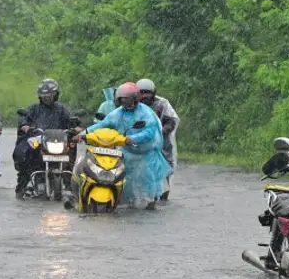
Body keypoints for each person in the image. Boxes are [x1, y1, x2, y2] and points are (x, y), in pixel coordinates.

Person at [78, 81, 171, 209]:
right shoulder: (118, 113)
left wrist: (132, 138)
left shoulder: (146, 113)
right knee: (123, 178)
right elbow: (102, 124)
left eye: (126, 99)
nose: (124, 102)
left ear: (134, 98)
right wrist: (83, 134)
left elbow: (149, 132)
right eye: (121, 100)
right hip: (126, 152)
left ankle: (150, 203)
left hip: (145, 155)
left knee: (147, 184)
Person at [13, 79, 75, 197]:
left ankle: (70, 185)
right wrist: (25, 126)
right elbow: (24, 119)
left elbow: (70, 122)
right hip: (39, 142)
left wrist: (75, 128)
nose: (47, 98)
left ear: (56, 95)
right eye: (44, 95)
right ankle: (21, 187)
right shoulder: (34, 109)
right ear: (40, 96)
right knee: (25, 155)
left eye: (50, 95)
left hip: (58, 142)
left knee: (72, 149)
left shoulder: (62, 110)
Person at [137, 79, 179, 200]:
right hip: (140, 142)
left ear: (153, 93)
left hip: (162, 143)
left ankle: (164, 195)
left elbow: (171, 121)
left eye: (147, 92)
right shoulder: (134, 105)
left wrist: (161, 130)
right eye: (142, 92)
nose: (145, 96)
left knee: (166, 168)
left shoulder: (162, 103)